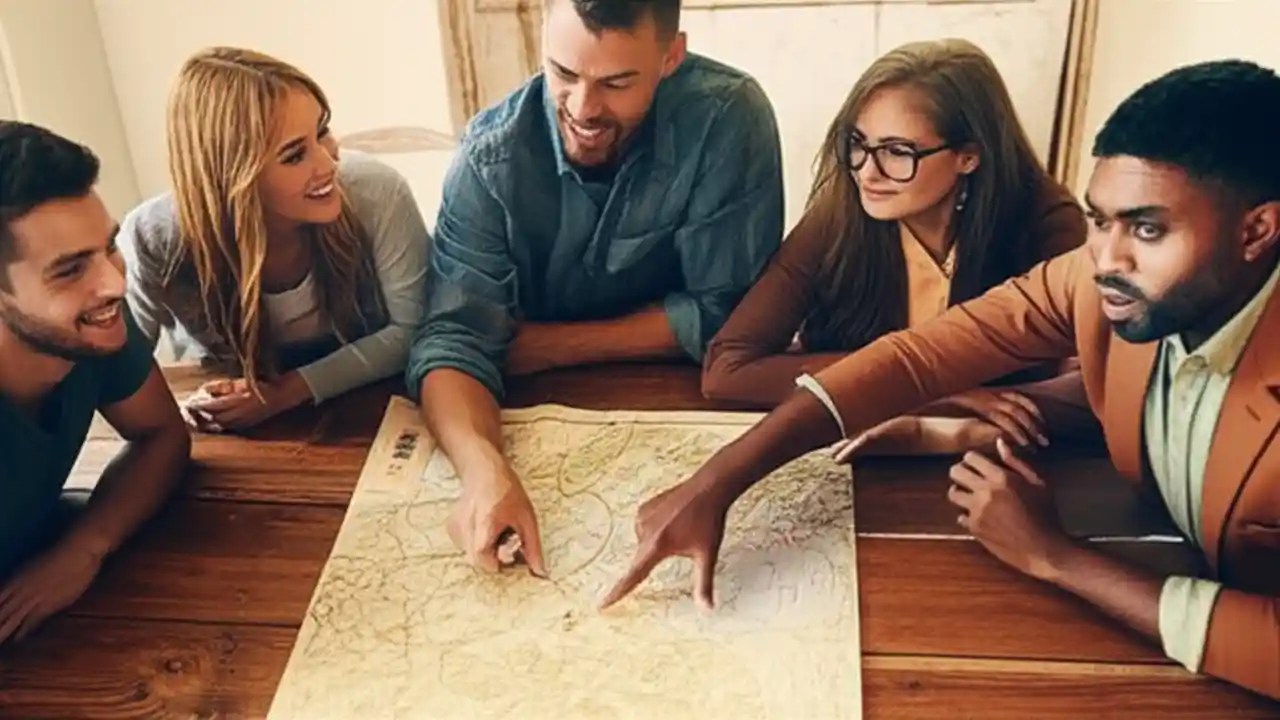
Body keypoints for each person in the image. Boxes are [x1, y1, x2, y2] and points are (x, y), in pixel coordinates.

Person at [601, 59, 1280, 701]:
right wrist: (719, 480)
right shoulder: (1096, 278)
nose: (1106, 258)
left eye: (1148, 229)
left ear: (1257, 231)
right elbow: (916, 358)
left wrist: (1055, 558)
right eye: (1099, 220)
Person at [407, 0, 784, 574]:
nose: (583, 108)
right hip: (527, 412)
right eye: (563, 73)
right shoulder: (488, 158)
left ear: (670, 57)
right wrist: (483, 472)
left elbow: (732, 314)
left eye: (617, 82)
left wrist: (554, 346)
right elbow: (453, 343)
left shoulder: (728, 118)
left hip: (690, 402)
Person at [703, 39, 1087, 454]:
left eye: (897, 151)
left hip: (996, 457)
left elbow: (1092, 383)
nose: (867, 172)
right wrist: (923, 392)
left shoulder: (1044, 220)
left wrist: (947, 425)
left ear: (968, 157)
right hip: (853, 451)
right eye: (858, 144)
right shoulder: (841, 215)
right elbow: (727, 369)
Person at [118, 47, 430, 432]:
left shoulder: (377, 192)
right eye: (295, 155)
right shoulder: (154, 237)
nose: (329, 162)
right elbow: (119, 368)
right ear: (233, 176)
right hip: (233, 432)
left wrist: (285, 392)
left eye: (322, 131)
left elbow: (414, 330)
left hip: (367, 410)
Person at [0, 121, 191, 643]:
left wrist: (85, 546)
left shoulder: (92, 326)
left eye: (108, 247)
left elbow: (162, 435)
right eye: (69, 270)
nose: (114, 282)